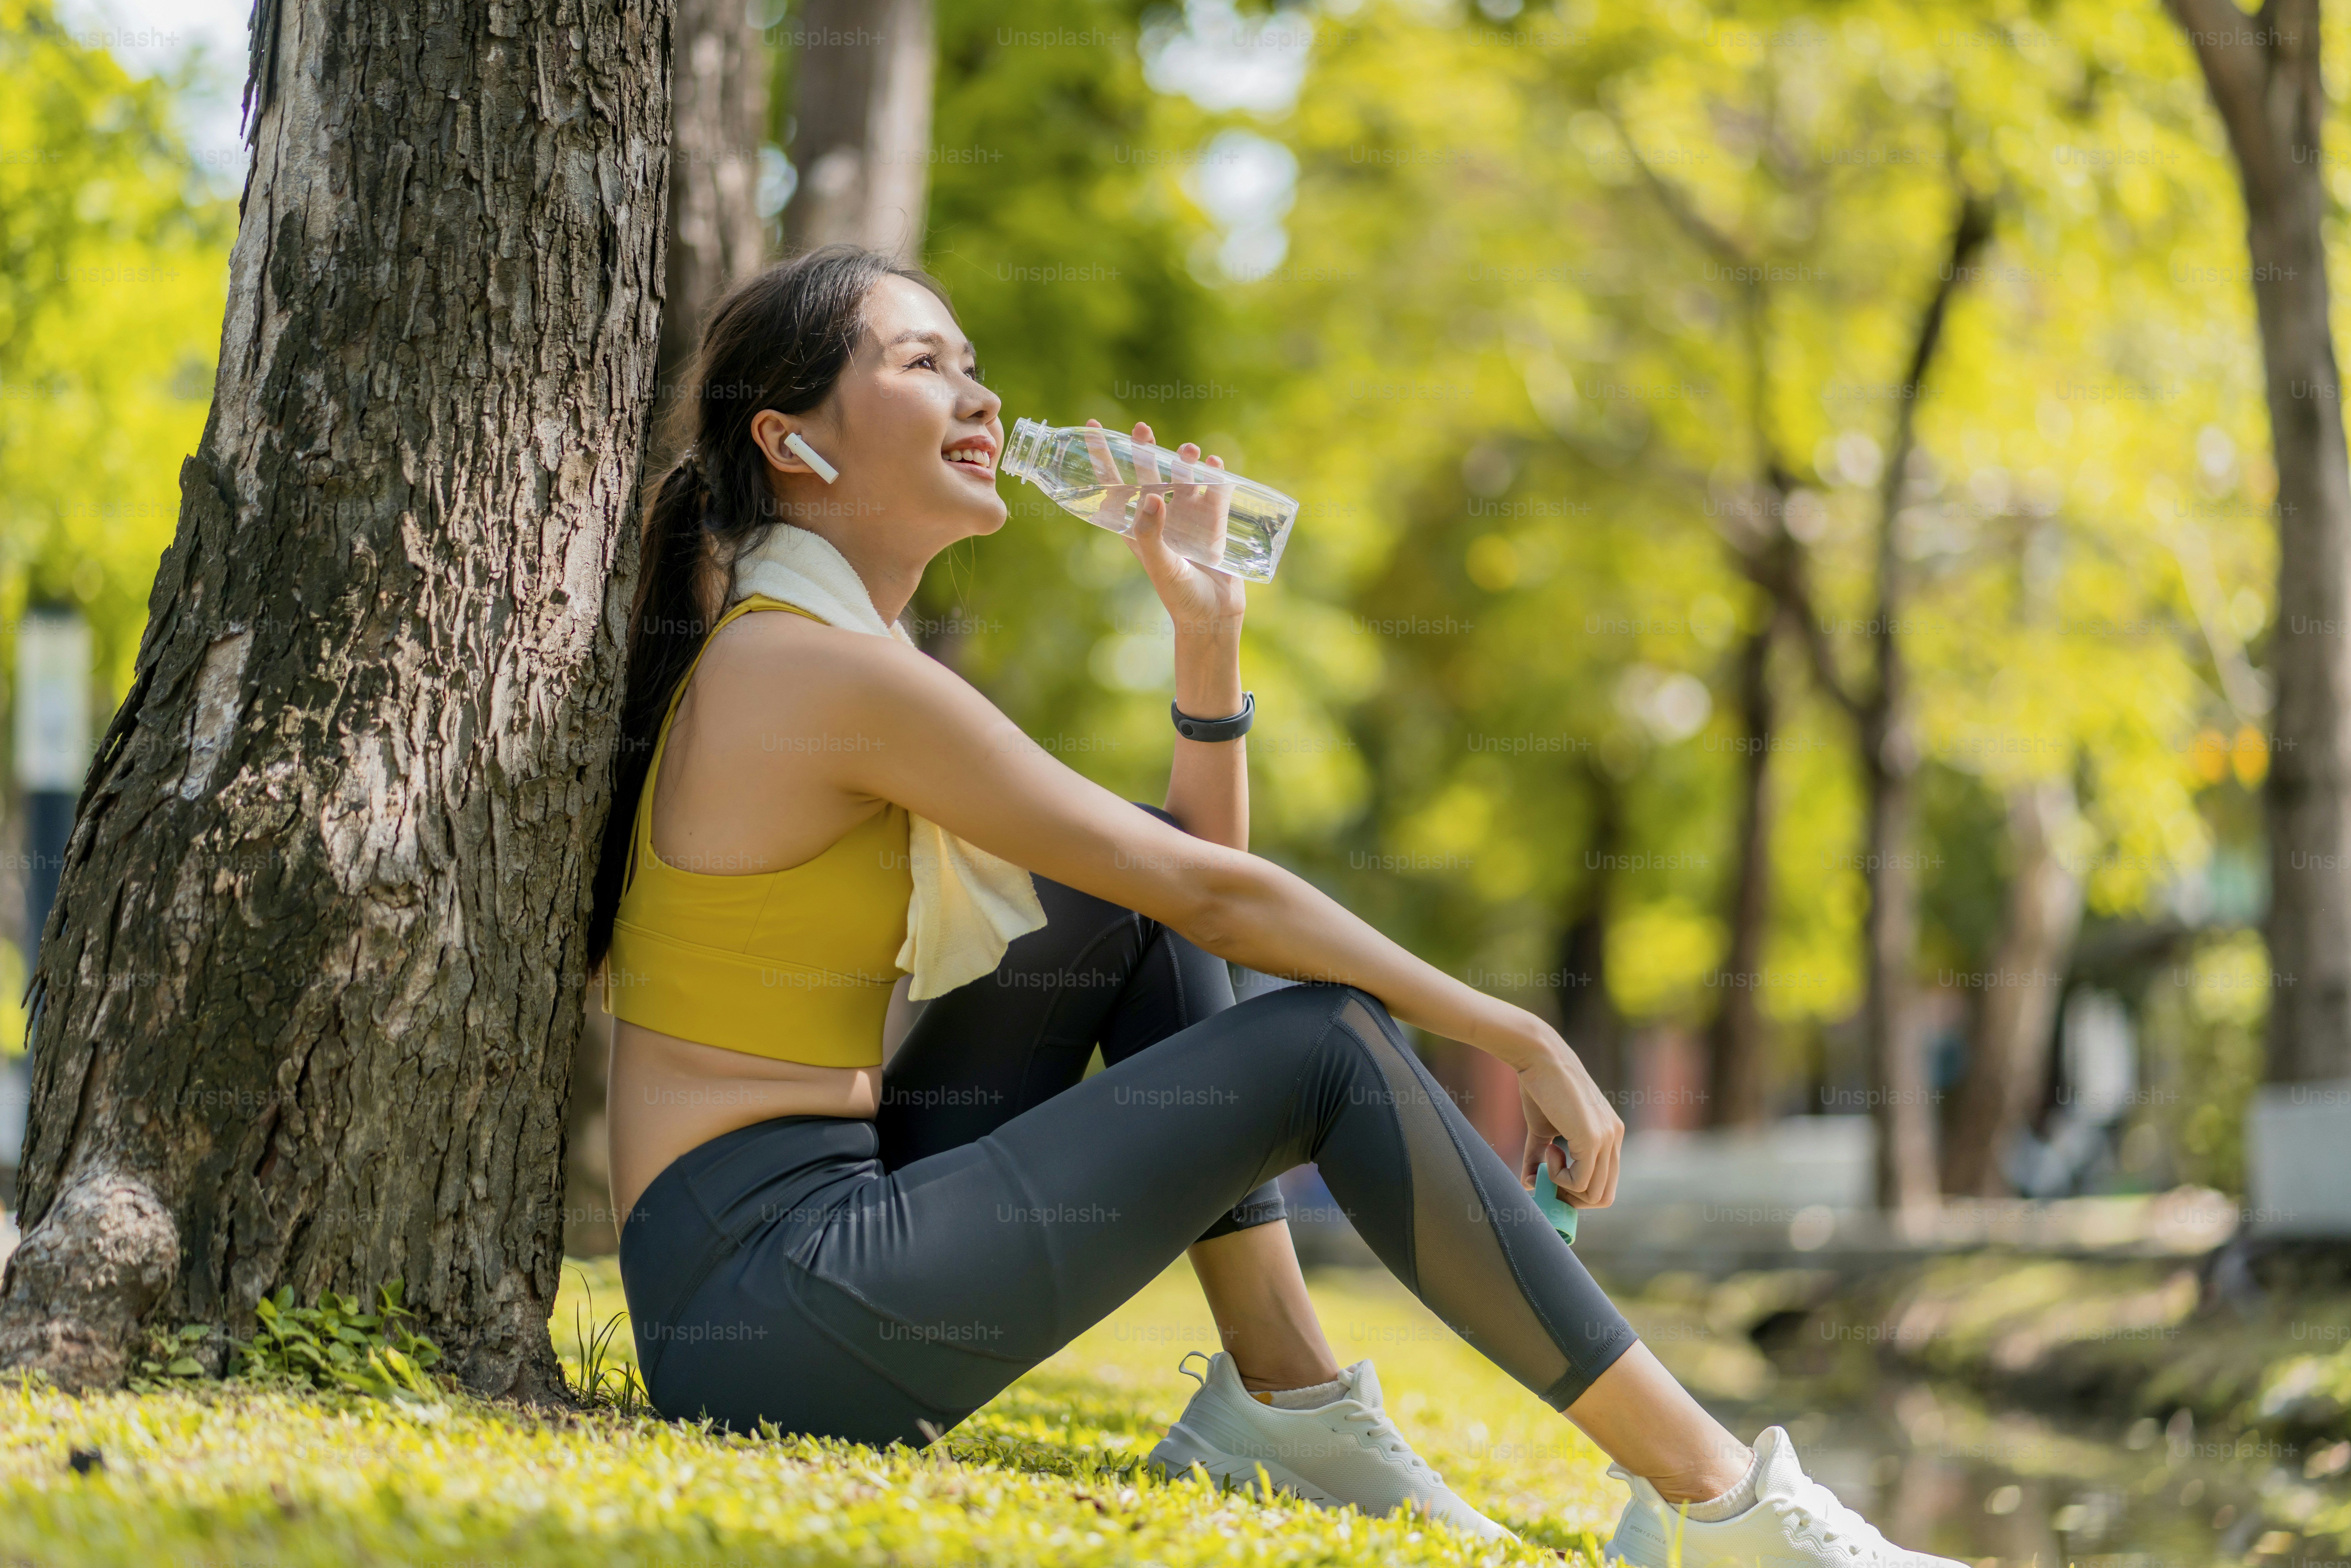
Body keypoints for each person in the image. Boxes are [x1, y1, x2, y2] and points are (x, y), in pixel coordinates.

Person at [588, 245, 1960, 1568]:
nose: (982, 399)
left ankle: (1283, 1406)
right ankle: (1721, 1505)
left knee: (1117, 891)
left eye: (974, 363)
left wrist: (1207, 643)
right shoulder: (819, 676)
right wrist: (1509, 1032)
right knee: (1318, 1044)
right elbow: (1215, 896)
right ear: (792, 440)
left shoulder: (822, 651)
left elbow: (1174, 898)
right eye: (921, 362)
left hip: (802, 1235)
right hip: (767, 1306)